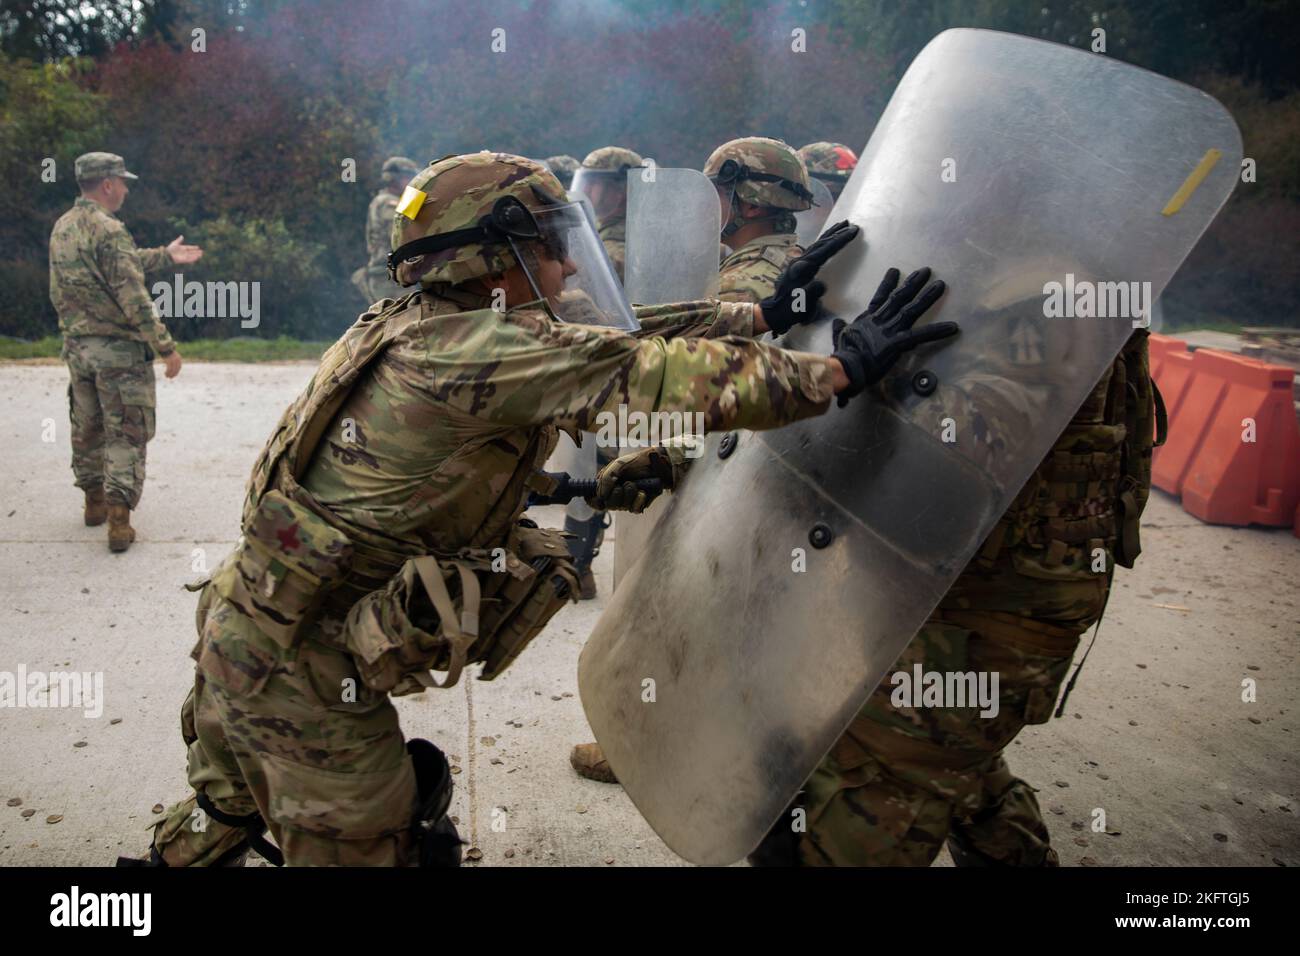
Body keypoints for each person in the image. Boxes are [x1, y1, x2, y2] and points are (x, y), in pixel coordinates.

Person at [125, 151, 954, 866]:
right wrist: (837, 373)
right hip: (297, 669)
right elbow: (648, 375)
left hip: (247, 624)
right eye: (550, 250)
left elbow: (607, 336)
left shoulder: (424, 324)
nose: (563, 268)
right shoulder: (478, 350)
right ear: (492, 261)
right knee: (378, 845)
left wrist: (764, 314)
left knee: (223, 810)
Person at [49, 151, 201, 552]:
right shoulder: (109, 229)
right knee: (125, 433)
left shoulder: (62, 228)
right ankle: (119, 522)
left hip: (78, 350)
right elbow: (133, 295)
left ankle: (93, 504)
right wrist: (165, 347)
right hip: (118, 355)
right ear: (107, 185)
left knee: (87, 429)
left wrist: (164, 256)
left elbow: (108, 269)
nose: (127, 189)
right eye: (123, 181)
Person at [705, 136, 815, 304]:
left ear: (752, 206)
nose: (705, 204)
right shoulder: (793, 257)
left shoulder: (737, 287)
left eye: (715, 194)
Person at [353, 156, 421, 304]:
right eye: (408, 177)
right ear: (395, 179)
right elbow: (402, 234)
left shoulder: (389, 200)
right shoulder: (387, 202)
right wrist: (417, 196)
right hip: (387, 277)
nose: (411, 181)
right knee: (401, 320)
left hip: (391, 274)